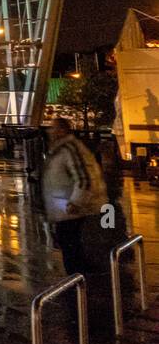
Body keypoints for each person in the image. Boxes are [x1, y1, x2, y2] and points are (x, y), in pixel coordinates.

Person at [40, 117, 108, 275]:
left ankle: (77, 277)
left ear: (63, 130)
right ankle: (80, 272)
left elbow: (84, 177)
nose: (51, 131)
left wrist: (76, 201)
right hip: (63, 205)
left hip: (71, 206)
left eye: (55, 128)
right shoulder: (59, 149)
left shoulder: (70, 148)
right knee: (69, 240)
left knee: (67, 239)